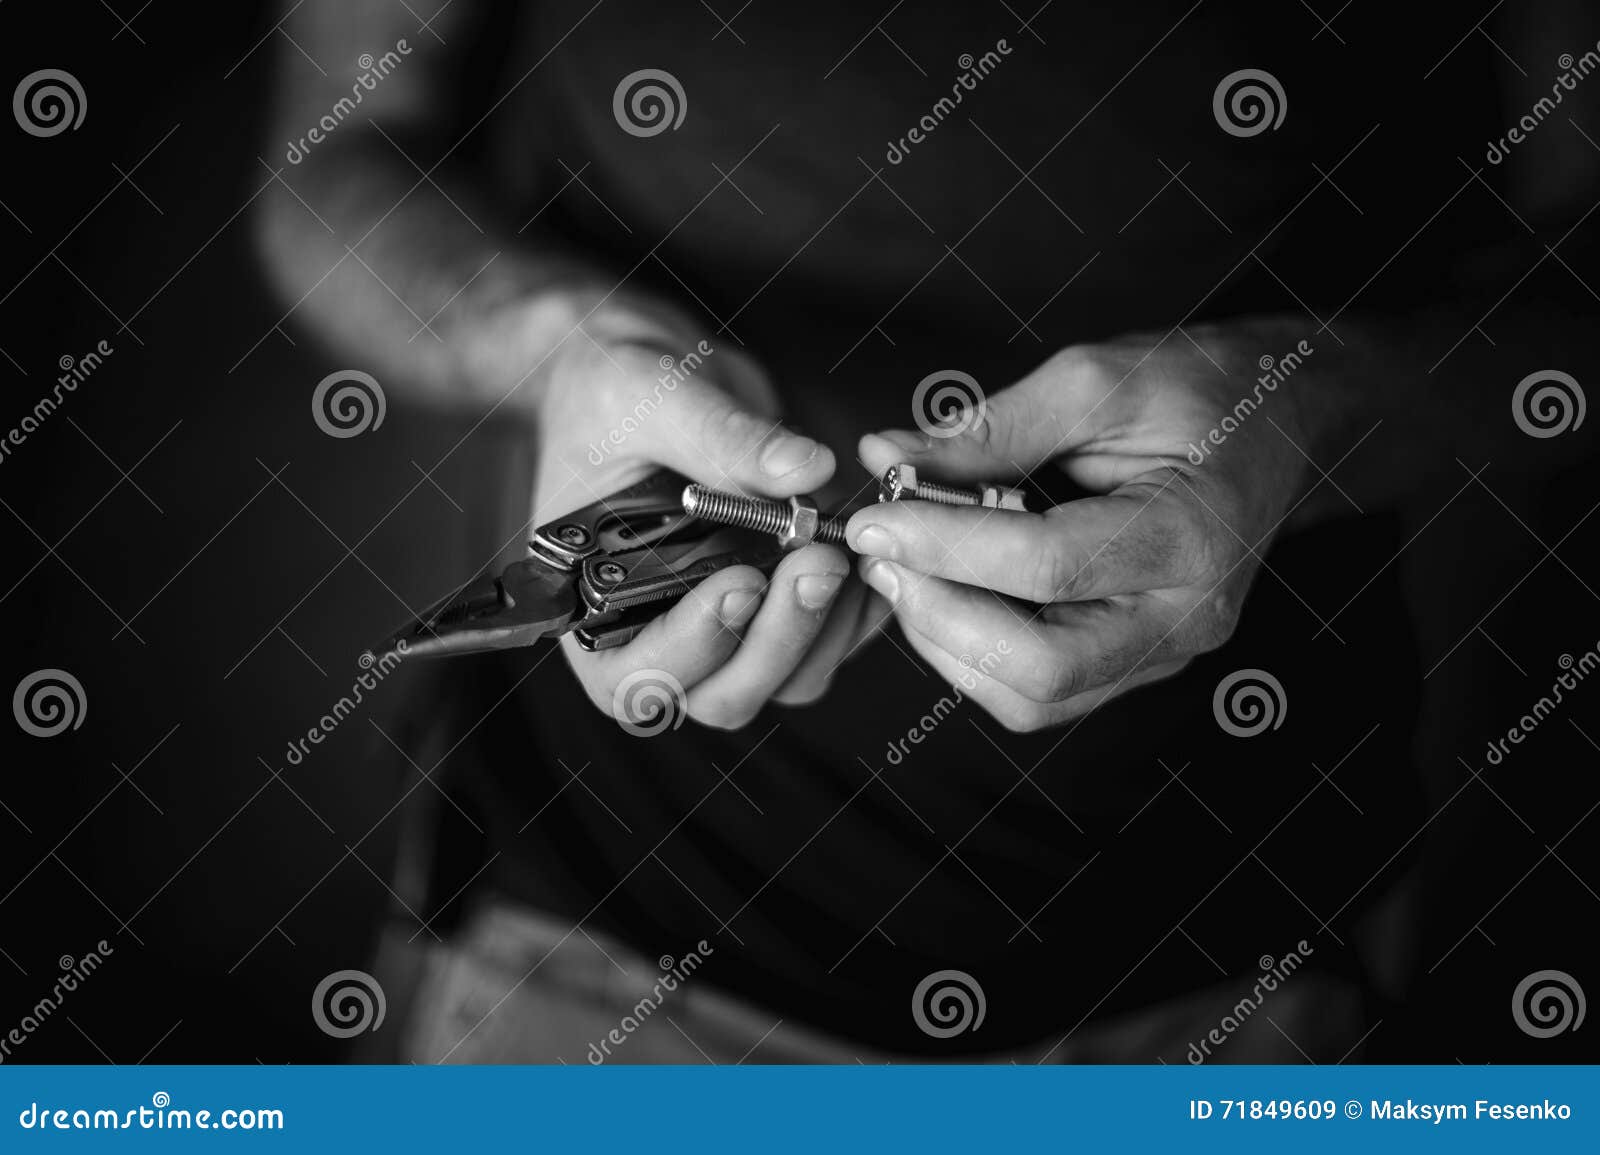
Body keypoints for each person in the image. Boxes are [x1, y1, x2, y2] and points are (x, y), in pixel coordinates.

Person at [259, 1, 1597, 1061]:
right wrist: (563, 340)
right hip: (584, 948)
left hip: (1243, 981)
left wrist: (1304, 410)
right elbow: (334, 163)